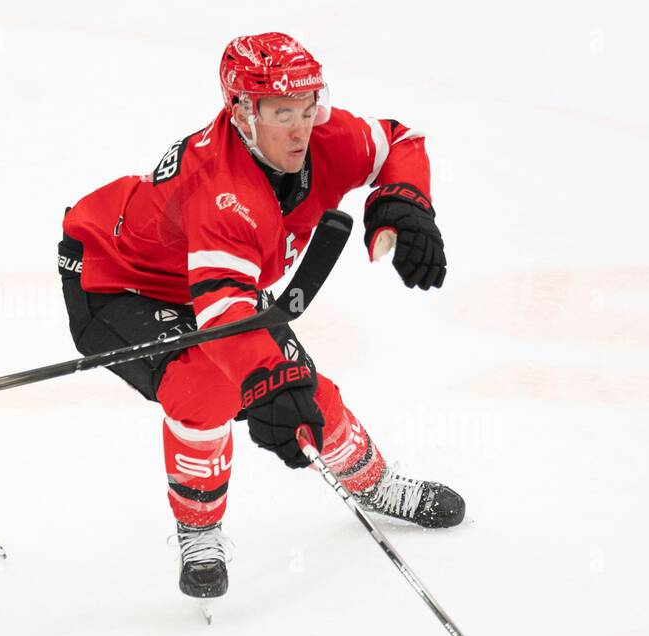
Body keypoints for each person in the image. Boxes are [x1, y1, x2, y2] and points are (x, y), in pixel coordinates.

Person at [59, 32, 463, 606]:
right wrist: (263, 378)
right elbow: (222, 305)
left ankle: (372, 483)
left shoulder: (322, 137)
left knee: (307, 390)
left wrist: (402, 200)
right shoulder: (218, 188)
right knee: (206, 386)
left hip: (217, 285)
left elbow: (400, 139)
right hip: (118, 280)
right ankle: (199, 527)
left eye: (307, 107)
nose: (301, 128)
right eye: (281, 113)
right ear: (242, 114)